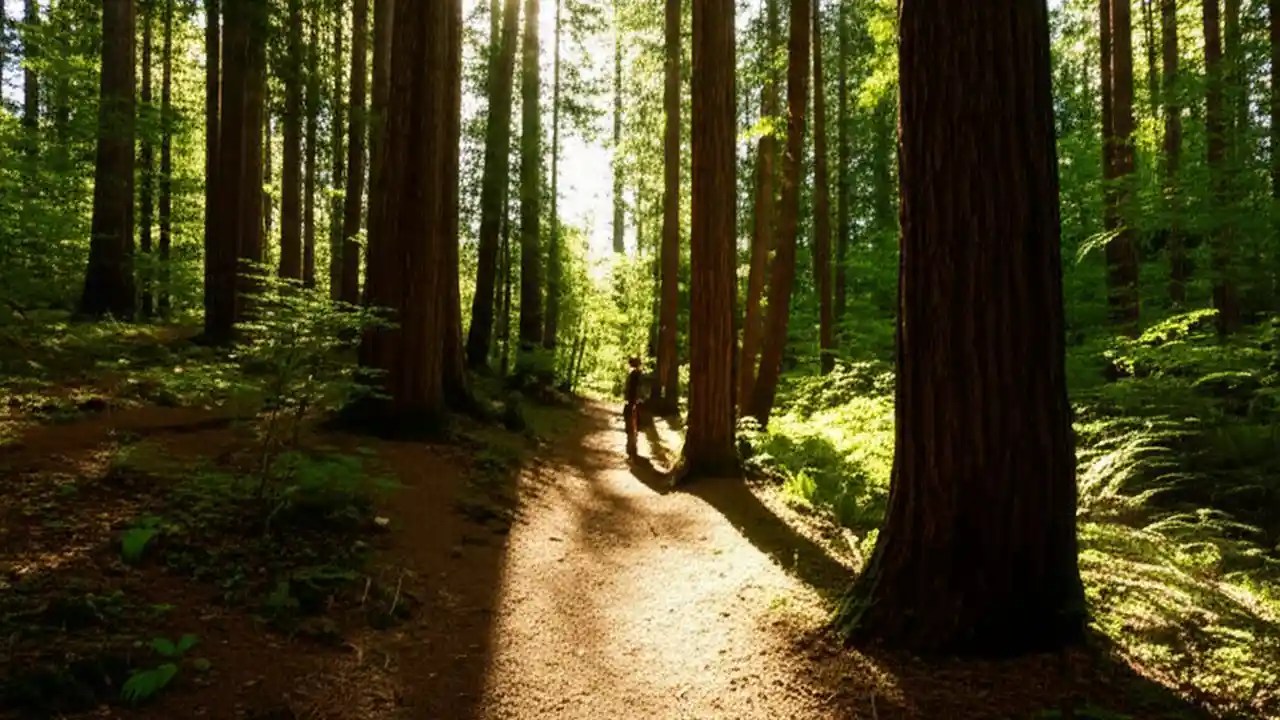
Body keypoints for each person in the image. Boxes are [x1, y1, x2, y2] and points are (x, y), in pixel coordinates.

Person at [624, 356, 642, 457]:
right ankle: (632, 447)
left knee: (631, 425)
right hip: (635, 403)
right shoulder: (638, 374)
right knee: (634, 426)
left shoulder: (633, 374)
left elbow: (630, 390)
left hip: (632, 403)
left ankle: (631, 447)